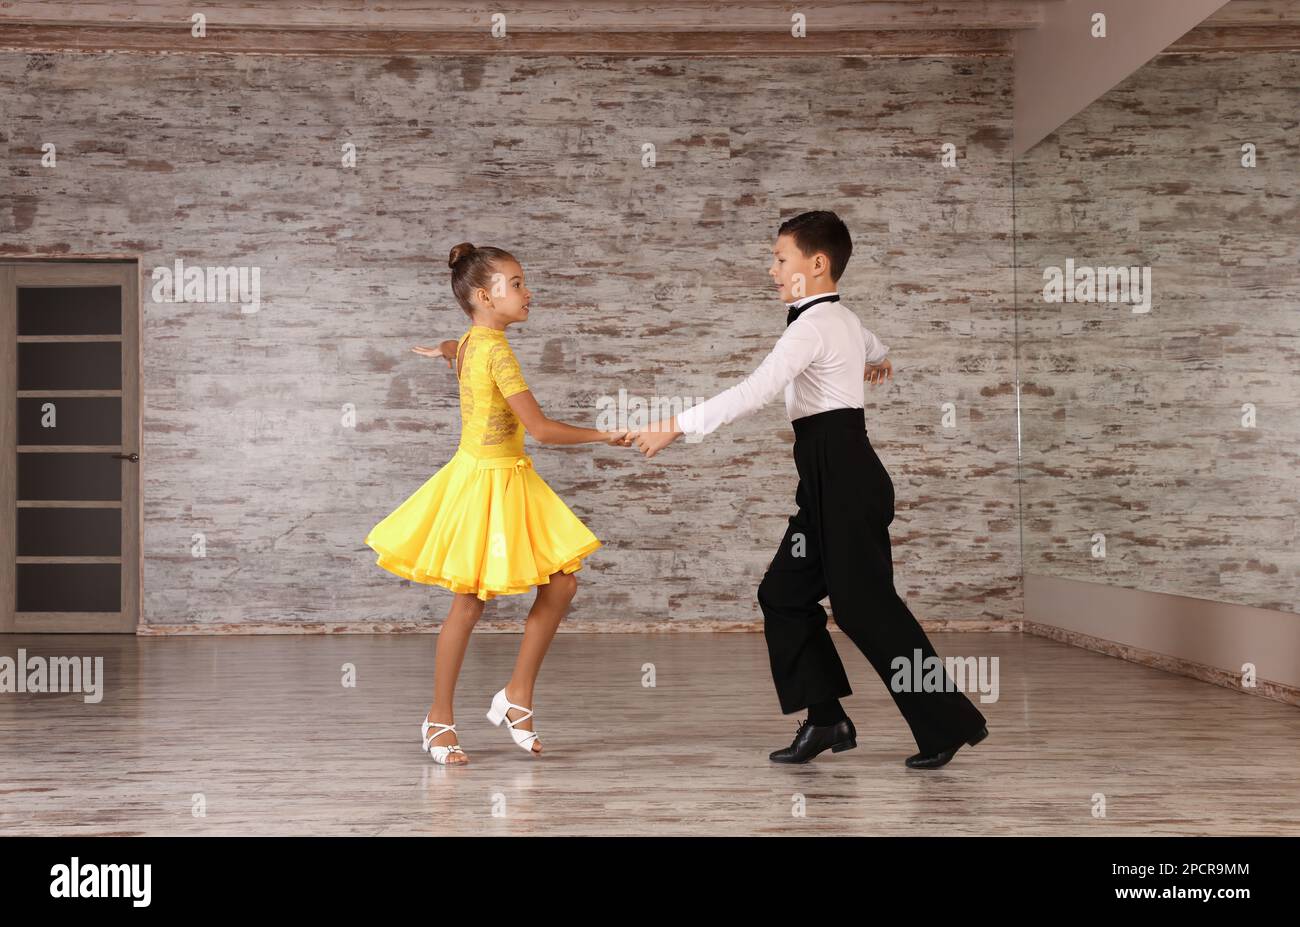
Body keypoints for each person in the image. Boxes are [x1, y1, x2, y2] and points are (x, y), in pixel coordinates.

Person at [632, 211, 989, 768]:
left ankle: (947, 724)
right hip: (828, 479)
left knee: (865, 608)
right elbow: (874, 343)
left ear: (816, 264)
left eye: (780, 259)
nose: (771, 270)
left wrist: (674, 425)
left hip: (843, 477)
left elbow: (755, 390)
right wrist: (880, 360)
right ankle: (827, 720)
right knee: (783, 593)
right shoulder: (840, 321)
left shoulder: (812, 327)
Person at [365, 242, 630, 765]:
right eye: (517, 284)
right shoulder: (496, 351)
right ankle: (438, 719)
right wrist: (606, 436)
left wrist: (440, 349)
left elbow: (453, 345)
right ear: (486, 297)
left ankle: (516, 697)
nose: (528, 292)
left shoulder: (471, 342)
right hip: (482, 483)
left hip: (507, 479)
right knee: (469, 601)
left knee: (562, 581)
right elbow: (541, 430)